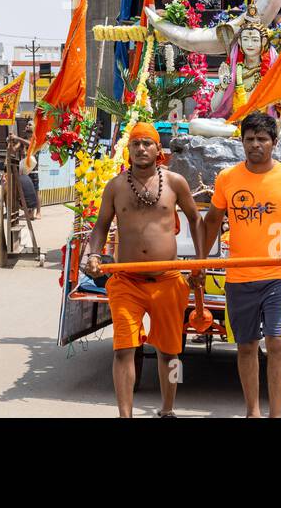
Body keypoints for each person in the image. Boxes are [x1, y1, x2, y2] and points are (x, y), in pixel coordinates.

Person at [82, 122, 203, 418]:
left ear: (158, 149)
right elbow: (100, 227)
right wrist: (94, 254)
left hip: (168, 280)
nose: (141, 148)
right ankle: (125, 415)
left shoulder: (175, 182)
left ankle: (168, 408)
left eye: (147, 143)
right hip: (127, 282)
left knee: (172, 353)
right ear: (129, 150)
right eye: (136, 144)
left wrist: (199, 263)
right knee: (123, 349)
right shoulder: (115, 186)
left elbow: (196, 219)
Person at [201, 111, 281, 417]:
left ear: (274, 143)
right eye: (249, 139)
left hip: (279, 274)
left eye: (262, 139)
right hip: (239, 277)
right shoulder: (227, 178)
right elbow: (212, 221)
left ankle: (275, 414)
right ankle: (253, 411)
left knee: (277, 342)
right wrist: (200, 263)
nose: (255, 144)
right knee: (246, 346)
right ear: (242, 142)